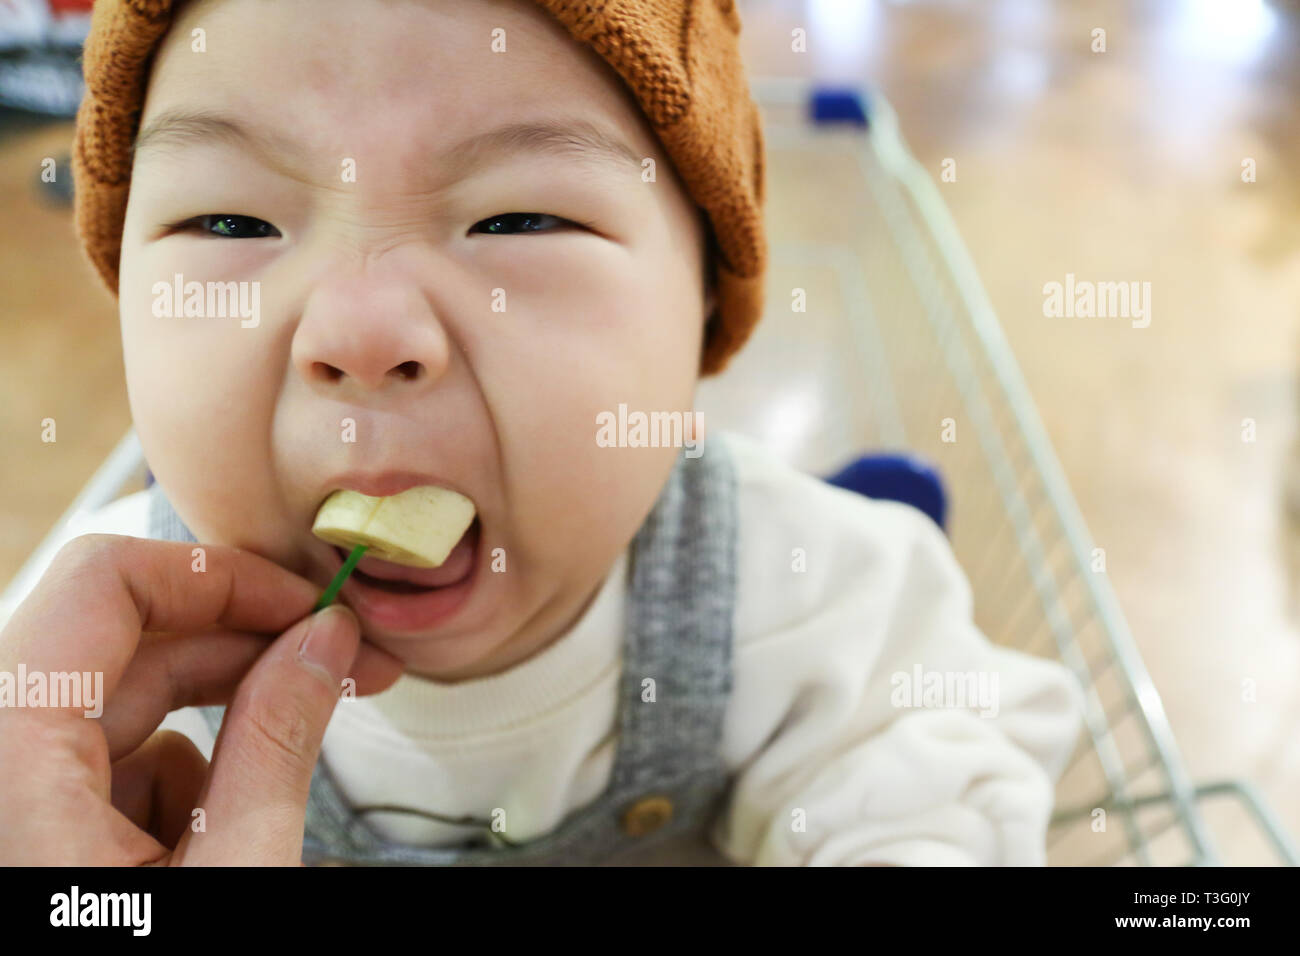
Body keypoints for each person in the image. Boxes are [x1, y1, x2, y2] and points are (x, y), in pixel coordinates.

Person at [0, 0, 1083, 865]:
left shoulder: (789, 587)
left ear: (702, 308)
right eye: (230, 221)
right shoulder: (83, 676)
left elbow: (923, 764)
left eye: (517, 219)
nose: (363, 330)